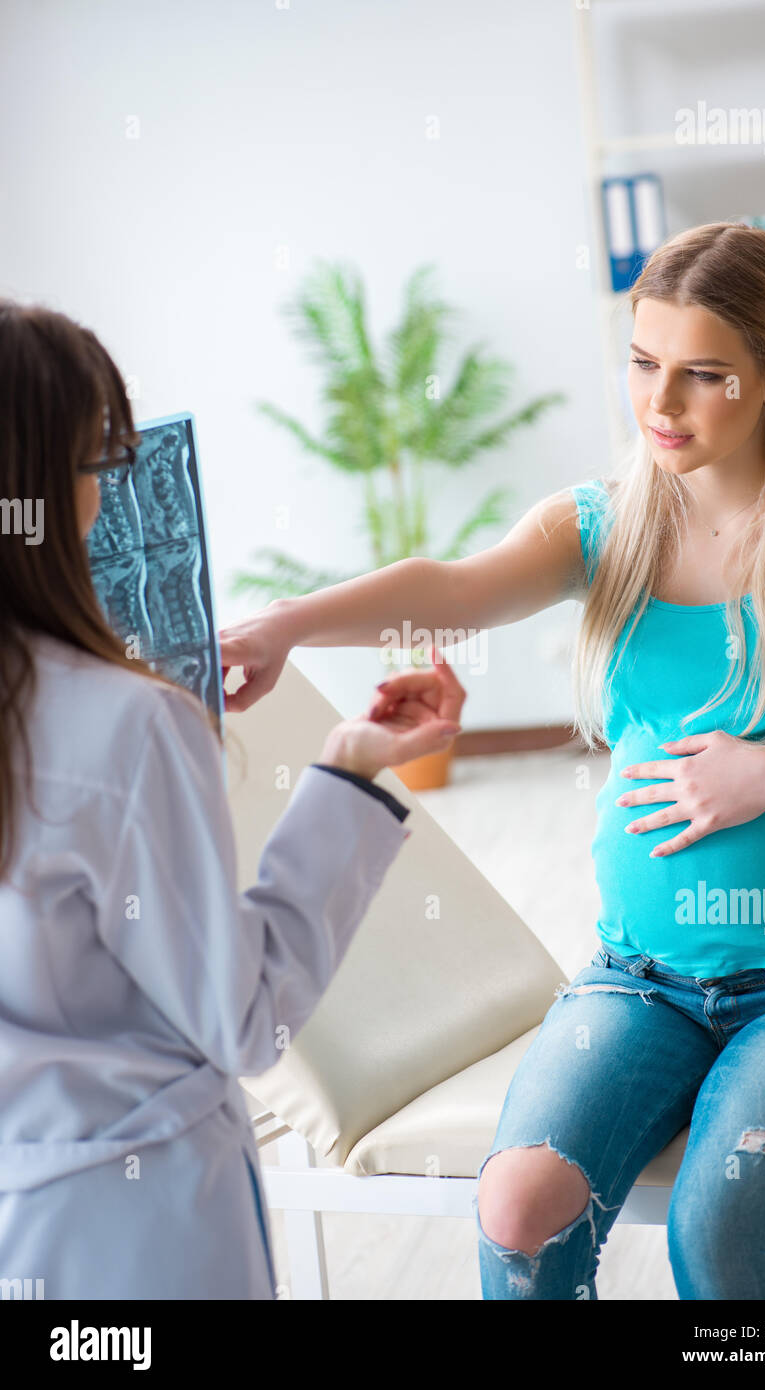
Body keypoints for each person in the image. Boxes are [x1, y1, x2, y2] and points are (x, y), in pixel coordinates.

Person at [218, 222, 765, 1300]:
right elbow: (453, 585)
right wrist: (286, 623)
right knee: (519, 1209)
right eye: (644, 364)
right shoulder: (603, 527)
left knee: (716, 1227)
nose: (660, 405)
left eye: (704, 375)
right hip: (640, 980)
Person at [0, 298, 465, 1300]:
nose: (103, 497)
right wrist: (346, 772)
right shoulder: (124, 726)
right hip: (139, 1234)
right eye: (95, 464)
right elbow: (244, 1019)